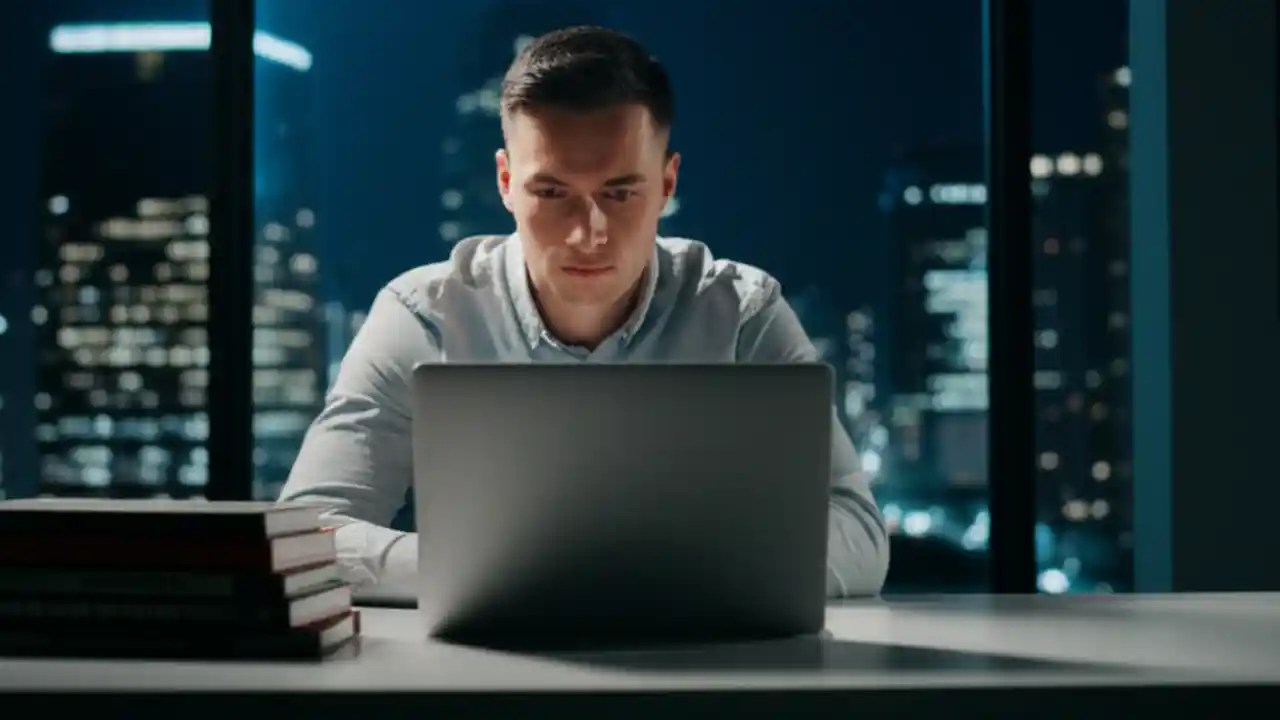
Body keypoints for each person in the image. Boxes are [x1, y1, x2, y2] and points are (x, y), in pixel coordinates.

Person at [278, 25, 889, 598]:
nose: (587, 233)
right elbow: (308, 535)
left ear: (668, 183)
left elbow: (860, 534)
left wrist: (602, 578)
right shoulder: (423, 315)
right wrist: (526, 576)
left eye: (620, 193)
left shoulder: (741, 313)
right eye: (552, 193)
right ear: (505, 182)